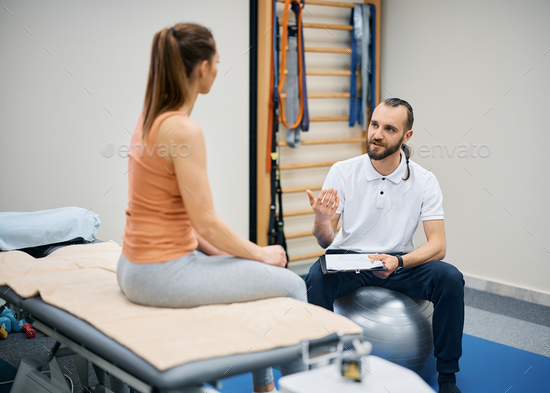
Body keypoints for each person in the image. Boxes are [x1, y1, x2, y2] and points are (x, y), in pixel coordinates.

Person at [116, 23, 307, 393]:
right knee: (292, 287)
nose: (218, 69)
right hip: (160, 274)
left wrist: (244, 256)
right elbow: (206, 223)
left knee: (254, 274)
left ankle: (264, 387)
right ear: (202, 68)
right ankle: (302, 385)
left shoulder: (149, 118)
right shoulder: (183, 131)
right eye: (216, 62)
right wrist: (262, 254)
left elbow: (182, 219)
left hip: (133, 266)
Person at [305, 98, 464, 393]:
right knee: (316, 276)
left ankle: (447, 377)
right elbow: (326, 240)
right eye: (374, 124)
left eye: (389, 129)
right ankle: (322, 368)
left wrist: (399, 262)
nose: (377, 134)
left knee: (450, 278)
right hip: (352, 261)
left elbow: (438, 246)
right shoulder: (343, 171)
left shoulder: (425, 181)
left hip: (400, 263)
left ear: (406, 137)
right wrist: (322, 221)